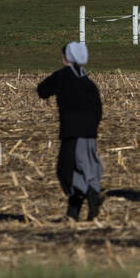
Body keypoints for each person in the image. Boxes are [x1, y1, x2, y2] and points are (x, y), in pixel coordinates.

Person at [36, 41, 104, 220]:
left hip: (72, 130)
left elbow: (42, 90)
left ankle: (92, 194)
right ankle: (73, 213)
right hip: (90, 130)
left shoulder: (63, 76)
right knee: (86, 169)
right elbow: (98, 107)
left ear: (68, 57)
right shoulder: (87, 80)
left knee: (65, 171)